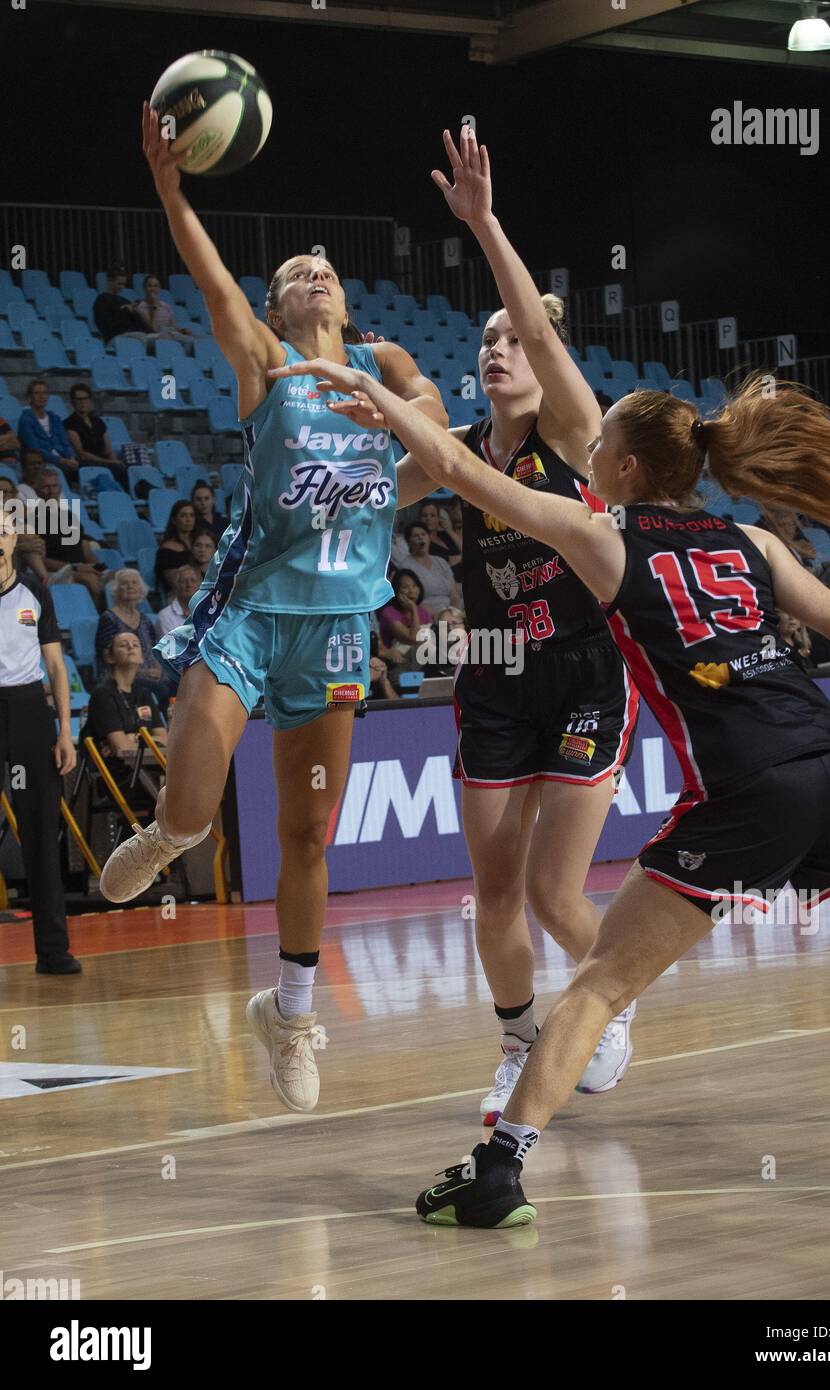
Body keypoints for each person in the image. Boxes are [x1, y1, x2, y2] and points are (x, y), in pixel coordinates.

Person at [300, 343, 830, 1231]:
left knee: (598, 986)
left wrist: (375, 393)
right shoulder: (747, 540)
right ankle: (496, 1166)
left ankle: (497, 1172)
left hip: (745, 786)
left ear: (627, 468)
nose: (586, 450)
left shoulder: (601, 536)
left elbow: (452, 467)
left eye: (599, 442)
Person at [97, 105, 447, 1121]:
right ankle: (169, 833)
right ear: (276, 304)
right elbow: (210, 287)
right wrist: (170, 189)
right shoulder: (268, 368)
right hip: (253, 614)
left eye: (323, 268)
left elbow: (435, 432)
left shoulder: (380, 372)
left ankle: (290, 1015)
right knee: (201, 805)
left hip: (339, 629)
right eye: (293, 272)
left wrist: (389, 403)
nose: (312, 275)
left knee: (307, 833)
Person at [325, 126, 640, 1120]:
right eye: (488, 343)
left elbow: (540, 334)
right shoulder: (459, 451)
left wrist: (481, 221)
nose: (500, 348)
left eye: (513, 338)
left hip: (588, 669)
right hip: (498, 676)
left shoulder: (573, 437)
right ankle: (517, 1041)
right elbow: (368, 491)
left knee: (557, 891)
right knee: (495, 893)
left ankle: (608, 1003)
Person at [0, 510, 80, 974]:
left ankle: (53, 951)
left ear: (14, 538)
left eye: (4, 529)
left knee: (40, 836)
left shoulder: (35, 591)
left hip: (31, 711)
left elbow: (56, 668)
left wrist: (65, 732)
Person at [85, 631, 167, 798]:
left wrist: (131, 738)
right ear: (110, 657)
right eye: (123, 645)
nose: (130, 646)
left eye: (135, 644)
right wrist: (142, 740)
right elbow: (121, 747)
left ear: (142, 657)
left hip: (148, 768)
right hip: (117, 775)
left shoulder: (143, 693)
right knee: (171, 792)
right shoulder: (103, 694)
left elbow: (164, 739)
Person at [34, 467, 105, 609]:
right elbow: (39, 559)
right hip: (53, 573)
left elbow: (84, 549)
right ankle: (99, 622)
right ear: (37, 491)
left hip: (78, 568)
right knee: (90, 580)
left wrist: (100, 569)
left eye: (54, 486)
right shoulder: (32, 519)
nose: (52, 491)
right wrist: (76, 567)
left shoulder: (70, 516)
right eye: (46, 487)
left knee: (120, 577)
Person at [95, 568, 163, 683]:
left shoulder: (145, 619)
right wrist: (142, 672)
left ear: (141, 589)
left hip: (150, 673)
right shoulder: (108, 618)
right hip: (123, 676)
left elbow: (154, 649)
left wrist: (159, 669)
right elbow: (106, 655)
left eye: (134, 583)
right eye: (125, 583)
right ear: (116, 590)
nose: (130, 586)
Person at [63, 386, 129, 489]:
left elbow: (108, 451)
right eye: (79, 399)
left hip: (104, 461)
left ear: (90, 401)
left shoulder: (98, 422)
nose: (82, 402)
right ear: (73, 402)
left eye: (85, 399)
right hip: (85, 463)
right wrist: (109, 462)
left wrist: (115, 461)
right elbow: (81, 453)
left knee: (123, 468)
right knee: (116, 469)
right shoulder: (69, 423)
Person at [17, 382, 78, 479]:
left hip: (64, 458)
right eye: (37, 393)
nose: (41, 396)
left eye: (44, 393)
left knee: (86, 465)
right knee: (65, 470)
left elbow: (65, 443)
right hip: (43, 461)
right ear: (30, 396)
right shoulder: (25, 420)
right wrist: (62, 460)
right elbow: (35, 449)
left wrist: (71, 457)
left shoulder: (55, 418)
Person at [398, 521, 460, 616]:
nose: (420, 537)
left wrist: (452, 613)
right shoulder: (406, 566)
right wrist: (441, 616)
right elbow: (410, 602)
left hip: (450, 613)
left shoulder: (441, 562)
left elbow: (454, 595)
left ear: (429, 538)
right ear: (409, 542)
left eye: (423, 534)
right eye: (416, 536)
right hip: (425, 616)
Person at [377, 568, 433, 660]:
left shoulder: (423, 611)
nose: (411, 591)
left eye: (414, 586)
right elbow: (414, 638)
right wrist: (414, 609)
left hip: (421, 657)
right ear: (396, 591)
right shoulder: (389, 613)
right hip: (397, 660)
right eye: (405, 587)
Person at [93, 263, 153, 345]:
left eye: (123, 284)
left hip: (133, 334)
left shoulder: (125, 301)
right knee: (141, 337)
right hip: (114, 337)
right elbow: (106, 326)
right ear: (109, 280)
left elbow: (139, 324)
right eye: (119, 284)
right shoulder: (102, 300)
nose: (122, 287)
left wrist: (136, 313)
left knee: (167, 337)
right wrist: (125, 311)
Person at [154, 498, 201, 597]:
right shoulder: (167, 550)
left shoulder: (201, 544)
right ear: (174, 520)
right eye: (183, 516)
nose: (188, 520)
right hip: (180, 597)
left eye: (192, 515)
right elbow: (176, 583)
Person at [134, 274, 193, 347]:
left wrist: (183, 330)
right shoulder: (140, 307)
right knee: (181, 340)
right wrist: (154, 306)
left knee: (191, 339)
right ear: (144, 288)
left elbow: (174, 325)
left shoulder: (165, 305)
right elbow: (153, 328)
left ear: (159, 288)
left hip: (170, 332)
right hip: (154, 335)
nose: (153, 289)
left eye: (156, 286)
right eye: (150, 286)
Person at [155, 563, 201, 637]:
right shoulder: (165, 616)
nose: (189, 584)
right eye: (184, 581)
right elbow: (171, 646)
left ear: (200, 585)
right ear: (176, 586)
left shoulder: (209, 610)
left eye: (193, 580)